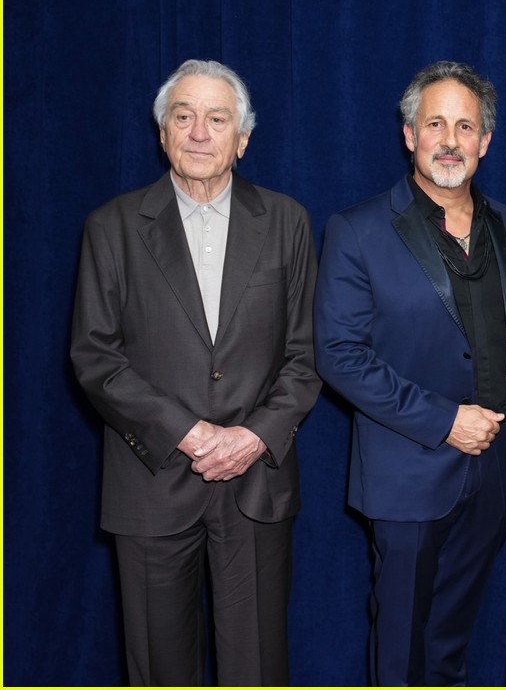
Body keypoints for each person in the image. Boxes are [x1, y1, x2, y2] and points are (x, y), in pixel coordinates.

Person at [70, 59, 321, 685]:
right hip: (151, 480)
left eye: (217, 118)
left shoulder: (287, 221)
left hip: (256, 481)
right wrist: (188, 432)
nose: (199, 132)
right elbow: (95, 355)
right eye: (184, 116)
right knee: (159, 669)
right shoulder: (112, 227)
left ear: (243, 139)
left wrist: (252, 436)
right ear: (162, 134)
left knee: (256, 668)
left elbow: (306, 353)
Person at [313, 61, 506, 685]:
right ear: (410, 134)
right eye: (436, 123)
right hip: (407, 471)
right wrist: (444, 422)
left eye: (466, 126)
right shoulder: (356, 230)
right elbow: (339, 355)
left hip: (494, 470)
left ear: (486, 142)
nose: (450, 140)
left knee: (451, 641)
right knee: (402, 644)